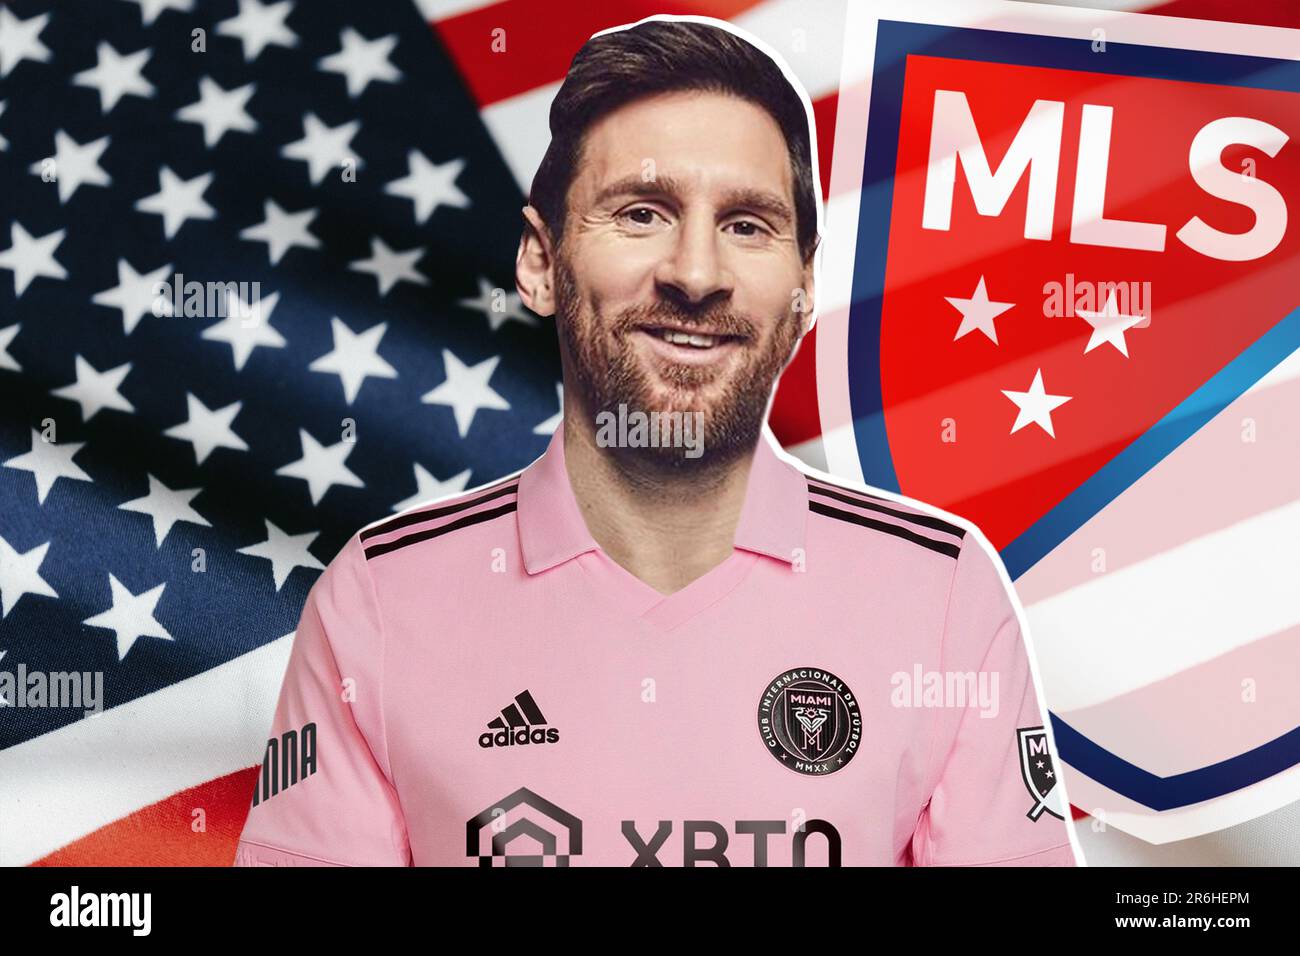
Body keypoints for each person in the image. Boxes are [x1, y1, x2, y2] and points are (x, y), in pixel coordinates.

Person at [233, 15, 1076, 867]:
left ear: (802, 288)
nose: (696, 273)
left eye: (748, 225)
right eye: (641, 212)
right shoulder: (381, 602)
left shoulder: (942, 595)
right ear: (539, 262)